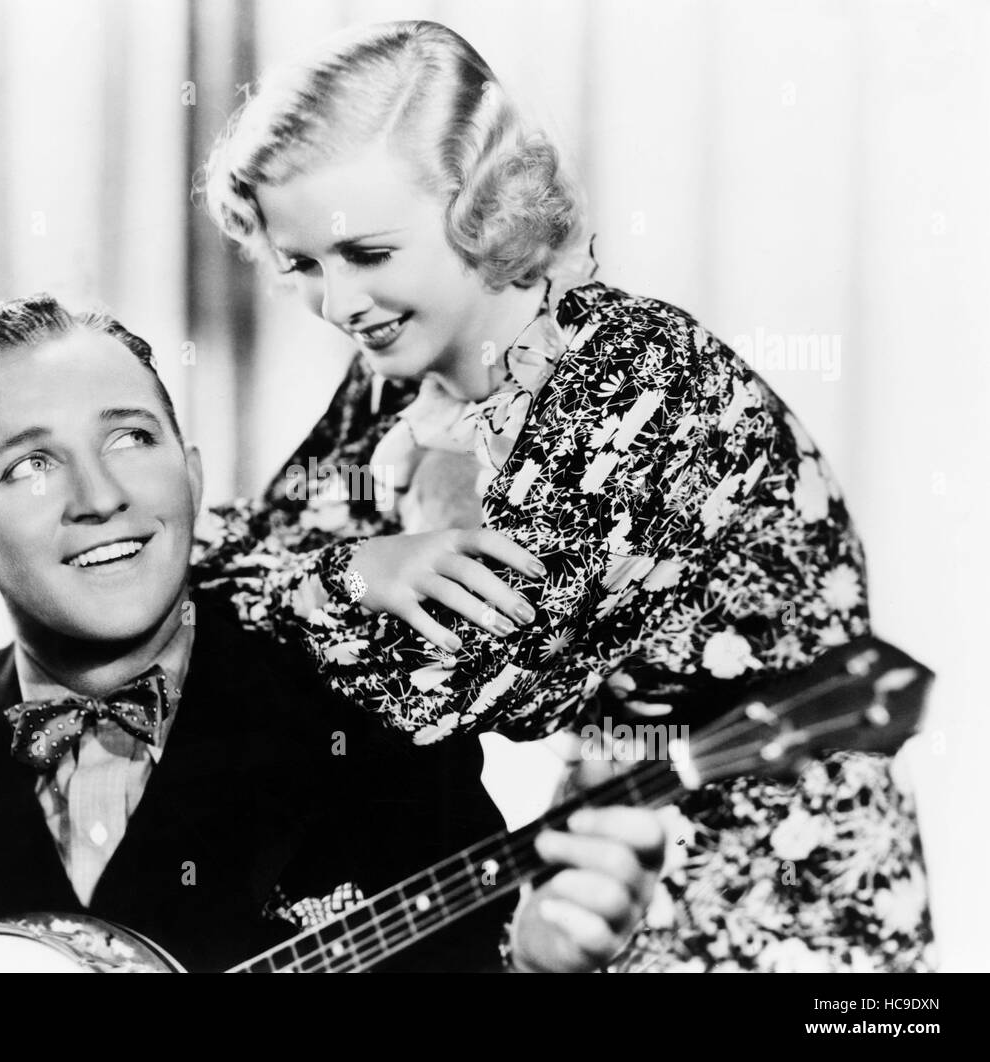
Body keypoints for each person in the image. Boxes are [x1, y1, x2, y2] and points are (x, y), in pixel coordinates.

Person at [194, 20, 933, 971]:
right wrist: (349, 572)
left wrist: (332, 577)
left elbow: (425, 687)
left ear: (482, 209)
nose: (338, 305)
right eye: (302, 265)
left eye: (368, 254)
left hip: (773, 881)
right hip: (601, 842)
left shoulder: (641, 383)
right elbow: (235, 560)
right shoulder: (399, 377)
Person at [0, 294, 664, 974]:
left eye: (130, 437)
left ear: (194, 474)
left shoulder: (377, 723)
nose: (101, 497)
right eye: (30, 464)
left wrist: (537, 964)